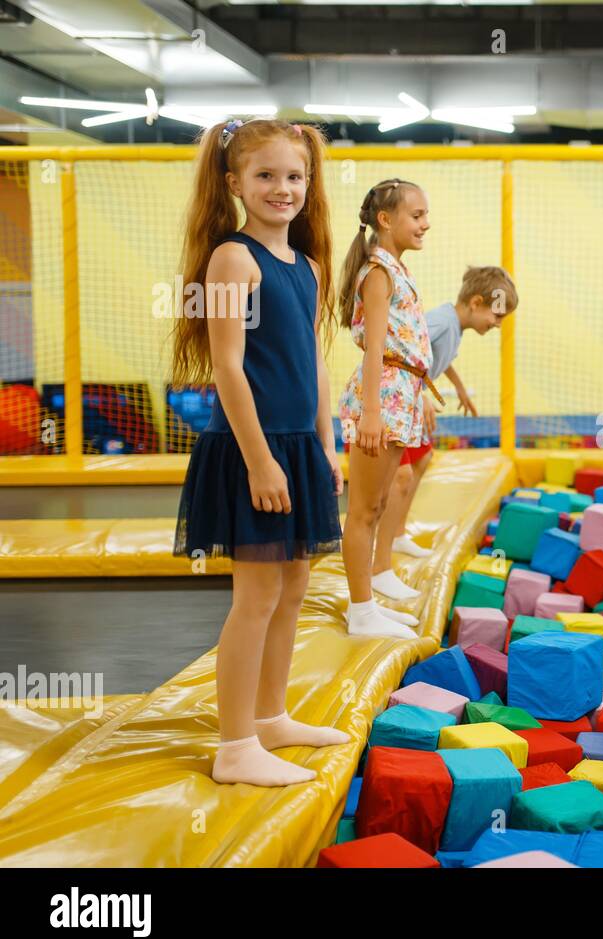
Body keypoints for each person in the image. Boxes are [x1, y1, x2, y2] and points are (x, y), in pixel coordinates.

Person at [171, 118, 348, 787]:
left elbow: (316, 362)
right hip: (252, 445)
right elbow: (228, 367)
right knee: (257, 593)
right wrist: (260, 460)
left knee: (294, 585)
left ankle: (271, 715)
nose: (283, 188)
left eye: (295, 176)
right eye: (266, 175)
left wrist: (326, 444)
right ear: (234, 182)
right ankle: (235, 743)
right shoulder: (231, 258)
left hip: (298, 444)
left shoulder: (306, 263)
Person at [337, 179, 437, 640]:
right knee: (361, 509)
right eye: (416, 216)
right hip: (384, 394)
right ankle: (361, 612)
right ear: (386, 220)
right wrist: (371, 412)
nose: (425, 223)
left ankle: (372, 591)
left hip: (402, 393)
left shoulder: (395, 268)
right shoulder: (378, 271)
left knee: (376, 504)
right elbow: (375, 347)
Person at [374, 267, 518, 566]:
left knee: (423, 459)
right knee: (400, 474)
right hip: (397, 398)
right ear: (476, 303)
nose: (498, 324)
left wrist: (460, 388)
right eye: (497, 316)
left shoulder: (455, 326)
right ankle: (381, 545)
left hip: (410, 397)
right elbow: (405, 350)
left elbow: (442, 358)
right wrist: (422, 394)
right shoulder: (441, 321)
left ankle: (397, 533)